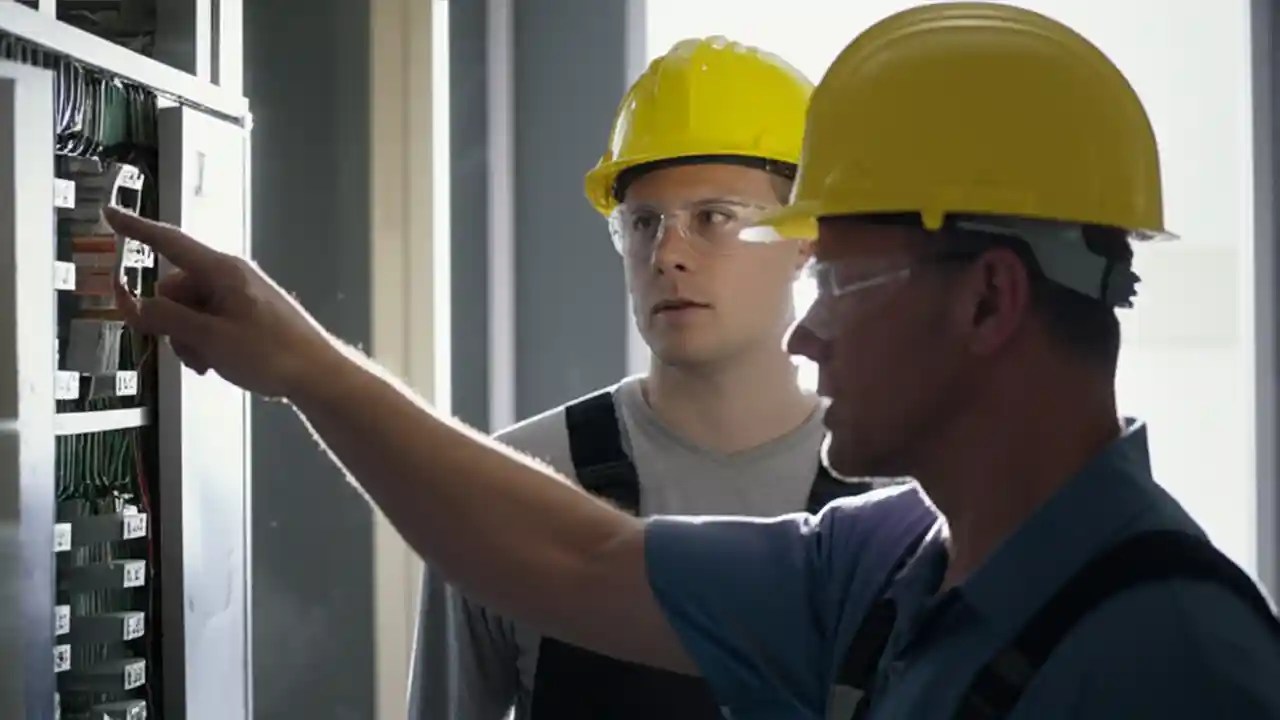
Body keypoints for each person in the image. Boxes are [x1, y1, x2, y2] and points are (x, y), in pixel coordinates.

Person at [104, 3, 1280, 719]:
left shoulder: (1175, 664)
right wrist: (300, 359)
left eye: (841, 280)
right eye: (646, 222)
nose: (809, 331)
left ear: (987, 300)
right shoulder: (884, 573)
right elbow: (574, 554)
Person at [407, 36, 891, 720]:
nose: (668, 254)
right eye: (643, 223)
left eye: (714, 219)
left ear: (807, 237)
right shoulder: (510, 490)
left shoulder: (898, 503)